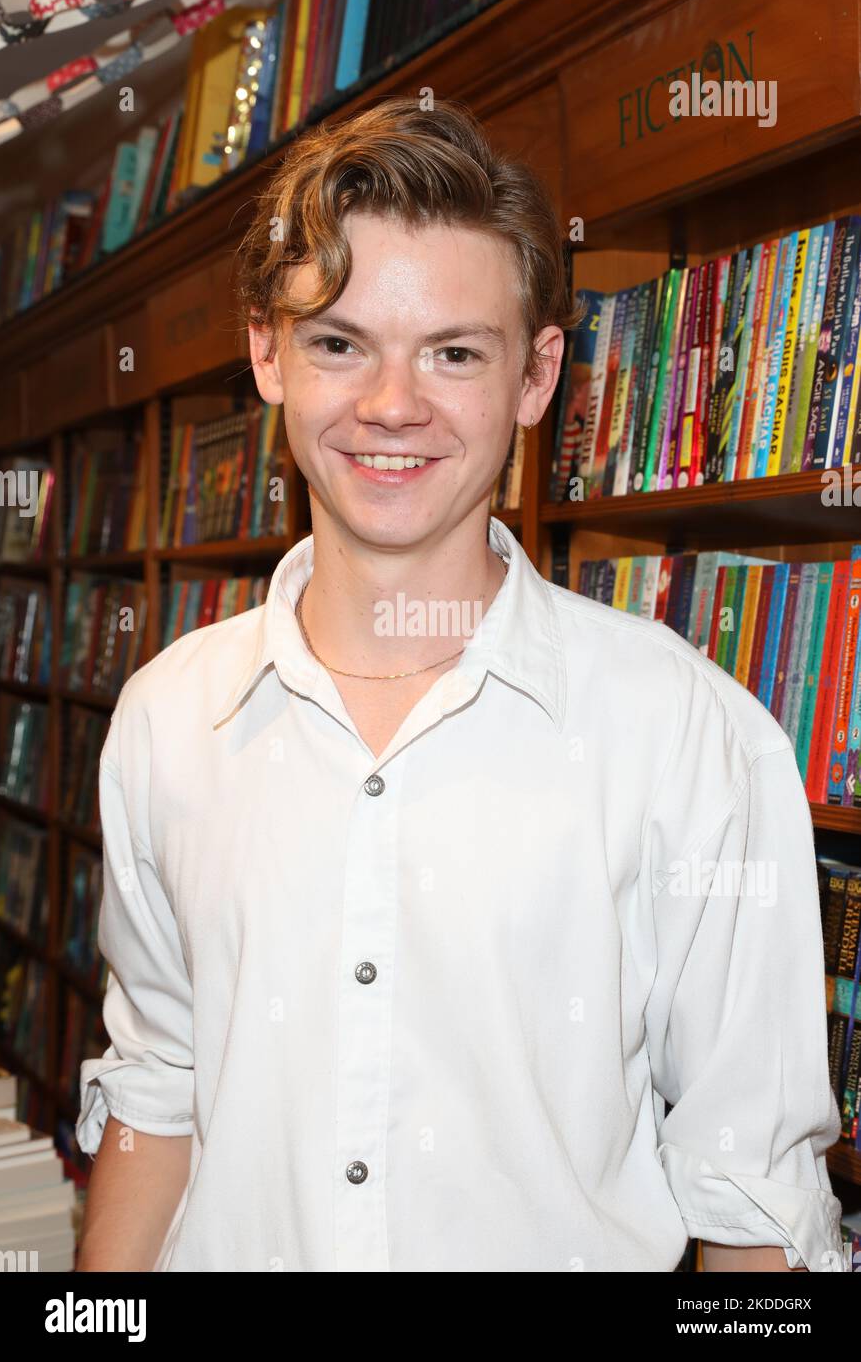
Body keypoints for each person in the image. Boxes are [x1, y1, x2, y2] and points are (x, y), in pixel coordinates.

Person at [75, 97, 845, 1273]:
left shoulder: (689, 737)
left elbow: (748, 1204)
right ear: (266, 353)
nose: (393, 405)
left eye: (452, 351)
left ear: (536, 376)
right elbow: (155, 1084)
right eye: (339, 342)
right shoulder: (165, 719)